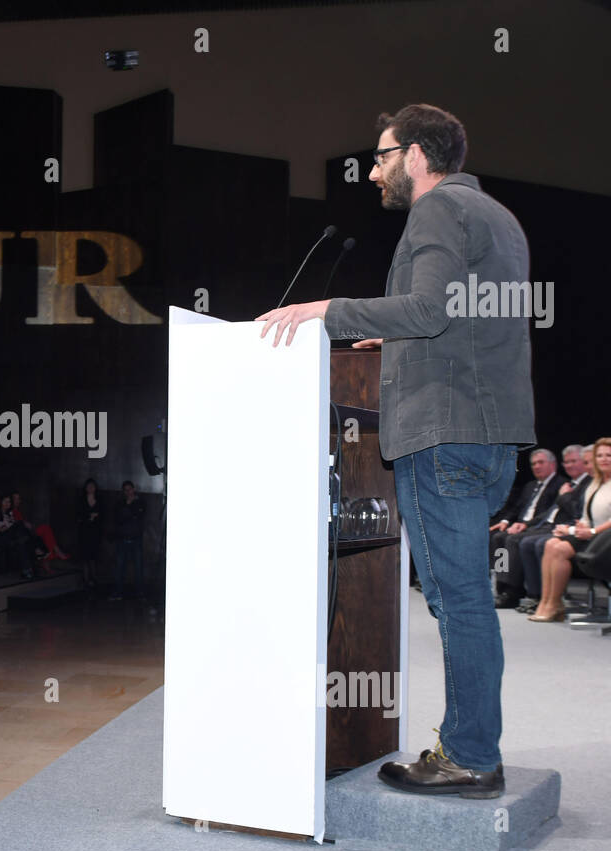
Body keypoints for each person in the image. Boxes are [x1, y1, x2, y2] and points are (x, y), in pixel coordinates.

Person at [258, 104, 533, 798]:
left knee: (458, 600)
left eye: (381, 157)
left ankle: (470, 755)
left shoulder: (436, 211)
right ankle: (471, 746)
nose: (373, 172)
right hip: (492, 435)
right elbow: (460, 321)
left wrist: (324, 310)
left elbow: (428, 309)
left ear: (415, 154)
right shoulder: (500, 218)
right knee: (467, 597)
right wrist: (399, 337)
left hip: (442, 435)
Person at [528, 438, 611, 622]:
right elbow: (586, 517)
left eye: (609, 455)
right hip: (595, 535)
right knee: (551, 543)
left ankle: (553, 604)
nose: (603, 459)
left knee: (559, 549)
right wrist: (572, 529)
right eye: (599, 456)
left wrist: (592, 531)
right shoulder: (597, 482)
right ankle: (548, 602)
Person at [516, 445, 592, 614]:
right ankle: (535, 595)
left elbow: (576, 512)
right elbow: (549, 513)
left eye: (574, 461)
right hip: (560, 527)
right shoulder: (571, 484)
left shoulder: (586, 483)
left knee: (535, 542)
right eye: (567, 462)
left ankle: (547, 597)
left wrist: (564, 496)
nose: (570, 465)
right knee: (524, 540)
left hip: (580, 531)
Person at [489, 449, 560, 608]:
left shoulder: (560, 485)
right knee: (498, 536)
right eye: (533, 464)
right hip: (521, 525)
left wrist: (526, 525)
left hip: (538, 527)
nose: (536, 466)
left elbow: (548, 515)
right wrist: (506, 521)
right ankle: (501, 584)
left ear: (552, 464)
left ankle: (513, 591)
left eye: (540, 462)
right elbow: (517, 508)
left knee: (511, 540)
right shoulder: (530, 485)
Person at [110, 481, 145, 600]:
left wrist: (129, 509)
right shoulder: (120, 503)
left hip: (136, 539)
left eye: (130, 489)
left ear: (134, 489)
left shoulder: (140, 501)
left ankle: (139, 593)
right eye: (125, 490)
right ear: (123, 491)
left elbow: (140, 516)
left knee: (138, 567)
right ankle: (118, 592)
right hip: (123, 539)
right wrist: (128, 507)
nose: (128, 491)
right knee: (119, 567)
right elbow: (118, 519)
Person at [77, 478, 102, 589]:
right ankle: (86, 580)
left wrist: (96, 517)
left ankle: (94, 578)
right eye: (88, 486)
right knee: (84, 557)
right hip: (84, 532)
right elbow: (78, 515)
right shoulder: (81, 500)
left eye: (92, 486)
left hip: (95, 533)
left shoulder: (99, 499)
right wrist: (89, 517)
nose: (90, 488)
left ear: (95, 488)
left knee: (93, 557)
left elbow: (103, 514)